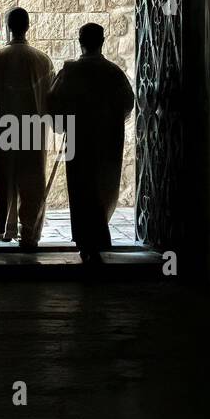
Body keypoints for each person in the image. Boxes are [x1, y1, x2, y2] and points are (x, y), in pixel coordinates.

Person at [48, 21, 134, 264]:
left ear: (80, 42)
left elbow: (53, 102)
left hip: (79, 139)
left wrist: (64, 123)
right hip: (108, 141)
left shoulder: (70, 72)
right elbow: (127, 103)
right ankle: (98, 234)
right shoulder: (113, 72)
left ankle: (86, 240)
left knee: (81, 189)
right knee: (103, 187)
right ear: (103, 41)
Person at [0, 6, 54, 251]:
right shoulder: (42, 59)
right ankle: (29, 232)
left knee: (2, 177)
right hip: (33, 129)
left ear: (7, 27)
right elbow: (51, 97)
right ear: (27, 26)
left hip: (3, 128)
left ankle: (2, 228)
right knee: (32, 179)